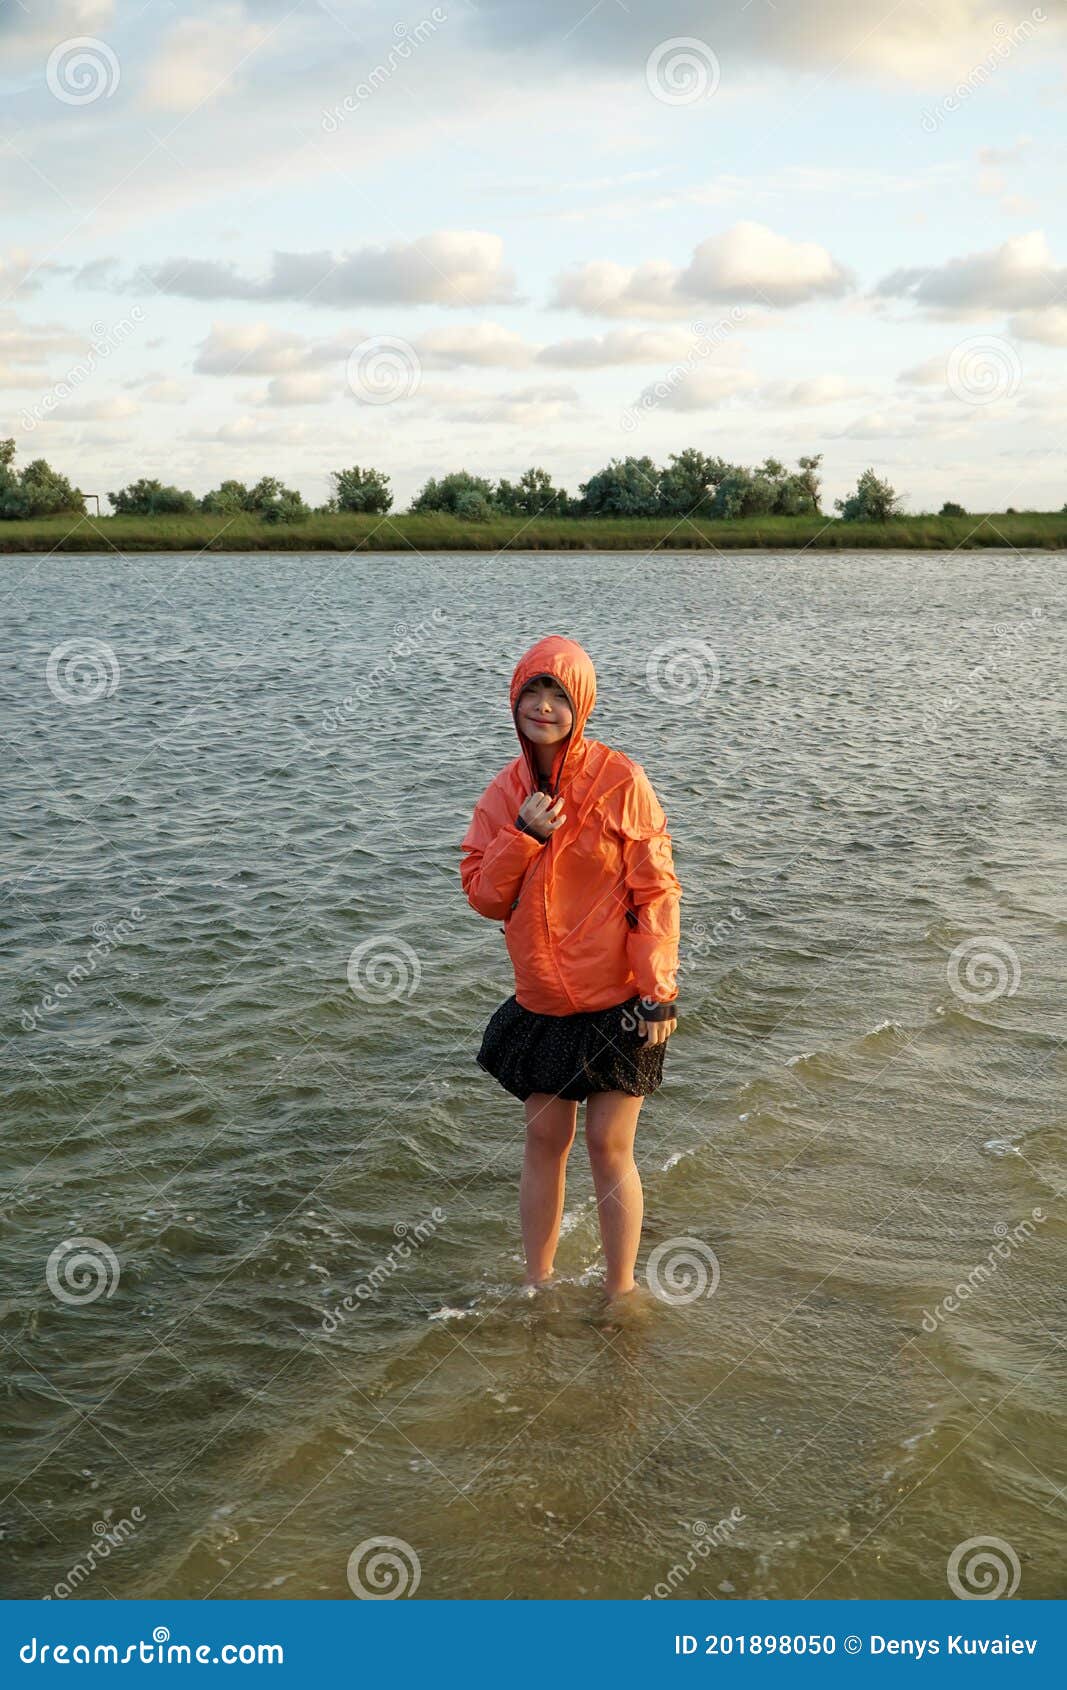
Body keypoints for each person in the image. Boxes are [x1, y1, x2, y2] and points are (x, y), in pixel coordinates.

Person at [459, 634, 681, 1302]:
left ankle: (620, 1292)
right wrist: (523, 835)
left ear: (580, 704)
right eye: (533, 692)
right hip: (544, 1002)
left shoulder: (620, 780)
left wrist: (657, 992)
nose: (545, 706)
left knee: (609, 1145)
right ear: (515, 701)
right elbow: (483, 895)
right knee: (545, 1140)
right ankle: (537, 1286)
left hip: (619, 998)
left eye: (558, 694)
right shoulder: (505, 792)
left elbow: (655, 891)